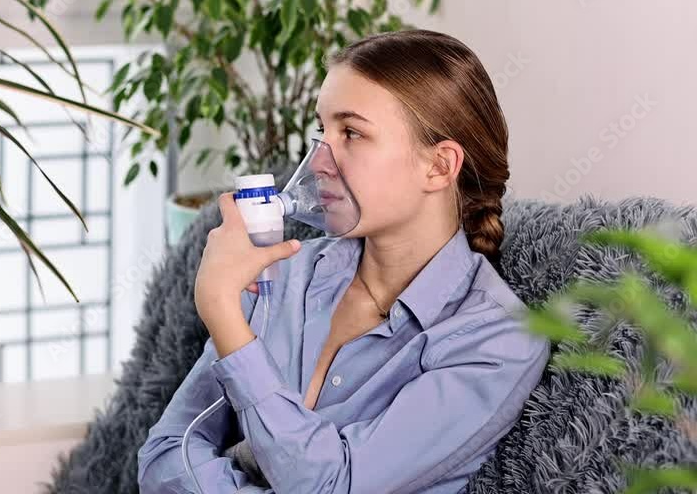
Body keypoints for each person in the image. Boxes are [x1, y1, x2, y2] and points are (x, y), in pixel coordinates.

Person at [137, 29, 551, 494]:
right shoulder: (287, 276)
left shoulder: (496, 343)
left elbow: (334, 485)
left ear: (438, 166)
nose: (317, 161)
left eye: (351, 132)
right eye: (321, 131)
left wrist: (224, 315)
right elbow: (165, 453)